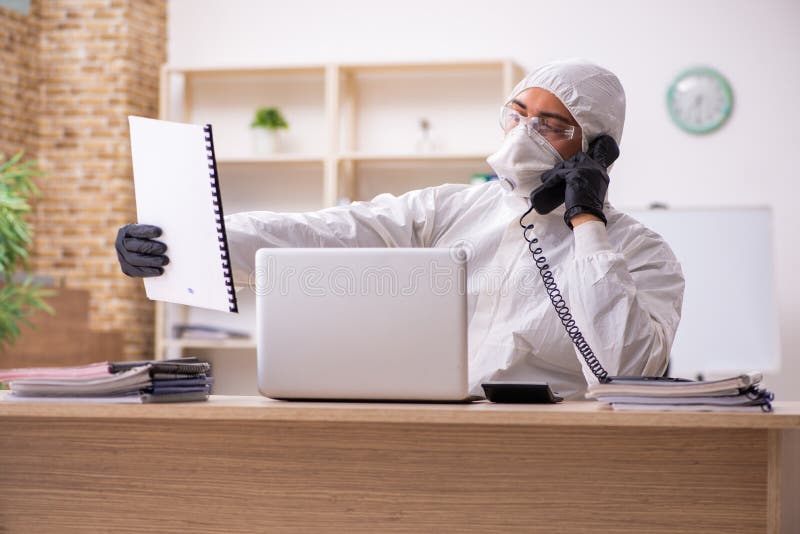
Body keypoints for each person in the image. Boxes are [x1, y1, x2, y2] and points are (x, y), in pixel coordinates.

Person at [116, 59, 684, 399]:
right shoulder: (450, 208)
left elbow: (627, 372)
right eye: (517, 113)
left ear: (597, 148)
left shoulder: (641, 252)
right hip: (434, 436)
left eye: (551, 124)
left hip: (565, 453)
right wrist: (189, 238)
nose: (523, 132)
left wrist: (586, 221)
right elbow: (330, 230)